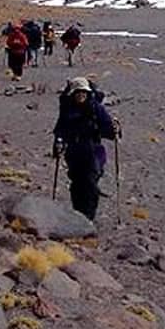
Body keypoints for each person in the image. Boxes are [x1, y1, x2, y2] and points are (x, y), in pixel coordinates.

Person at [52, 77, 118, 221]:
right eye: (78, 92)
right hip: (74, 152)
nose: (81, 95)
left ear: (88, 94)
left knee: (89, 181)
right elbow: (60, 129)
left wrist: (114, 130)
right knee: (77, 182)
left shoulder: (96, 109)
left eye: (83, 93)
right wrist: (58, 143)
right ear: (73, 94)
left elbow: (108, 129)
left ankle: (88, 216)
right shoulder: (68, 109)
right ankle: (79, 213)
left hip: (93, 151)